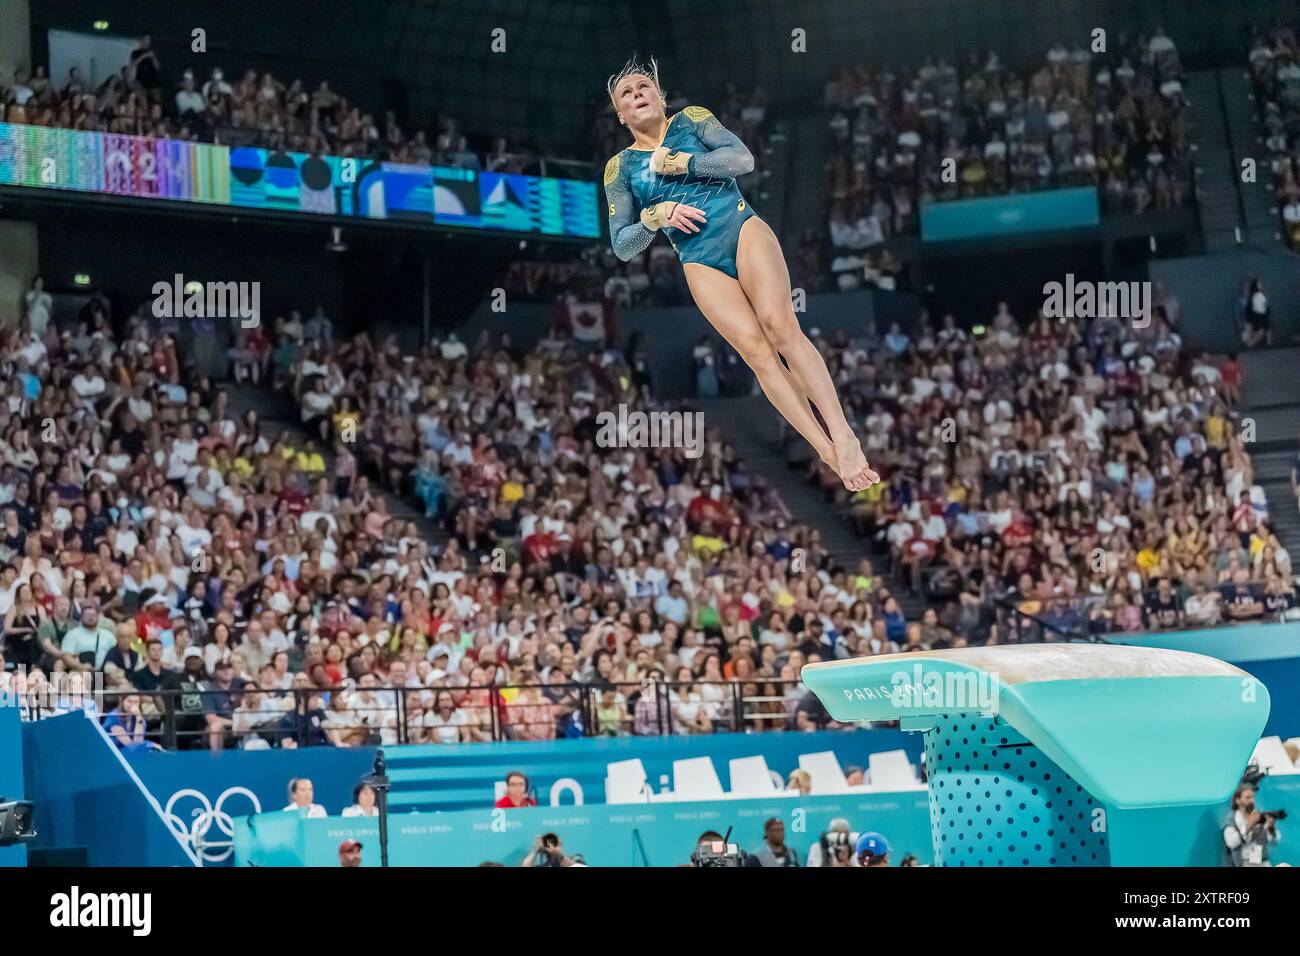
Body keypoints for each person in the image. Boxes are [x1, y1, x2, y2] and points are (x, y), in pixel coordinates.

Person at [602, 58, 877, 491]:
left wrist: (683, 163)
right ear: (621, 115)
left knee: (779, 326)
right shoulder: (619, 168)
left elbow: (742, 159)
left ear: (661, 97)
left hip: (741, 227)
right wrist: (654, 215)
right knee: (756, 353)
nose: (638, 94)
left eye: (644, 87)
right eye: (628, 94)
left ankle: (843, 433)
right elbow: (621, 245)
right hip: (697, 257)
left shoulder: (691, 120)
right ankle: (826, 450)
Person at [1223, 784, 1281, 866]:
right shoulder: (1231, 820)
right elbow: (1231, 843)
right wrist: (1249, 825)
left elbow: (1274, 842)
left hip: (1263, 863)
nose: (1252, 800)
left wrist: (1271, 829)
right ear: (1237, 800)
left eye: (1253, 797)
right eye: (1248, 797)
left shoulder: (1259, 816)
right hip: (1243, 863)